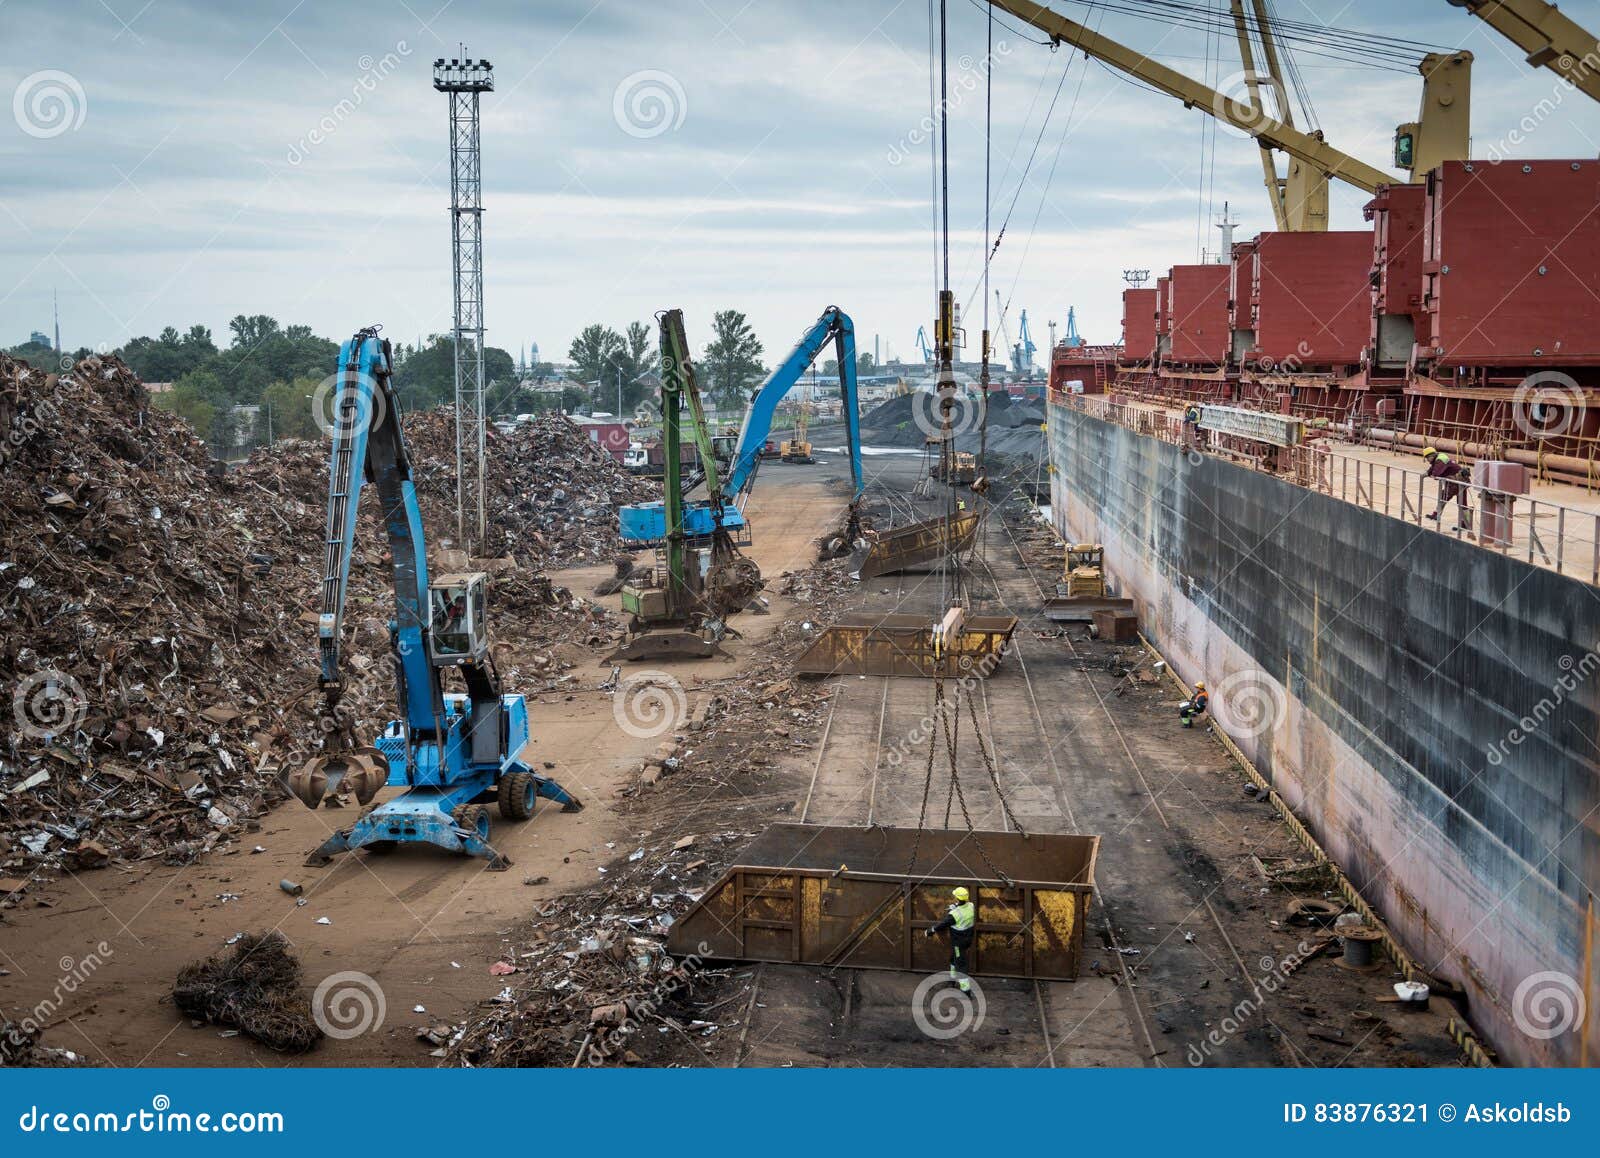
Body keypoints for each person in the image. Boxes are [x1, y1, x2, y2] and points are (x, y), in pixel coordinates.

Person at [926, 885, 976, 991]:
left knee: (960, 965)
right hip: (968, 939)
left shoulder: (954, 915)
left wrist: (930, 931)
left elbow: (943, 924)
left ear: (957, 898)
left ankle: (966, 991)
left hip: (959, 942)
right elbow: (964, 909)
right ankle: (952, 980)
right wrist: (956, 906)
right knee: (953, 958)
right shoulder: (971, 906)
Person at [1422, 447, 1472, 529]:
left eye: (1427, 458)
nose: (1427, 460)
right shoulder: (1438, 458)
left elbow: (1436, 473)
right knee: (1461, 502)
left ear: (1431, 455)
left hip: (1457, 481)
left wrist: (1432, 475)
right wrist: (1426, 474)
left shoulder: (1440, 460)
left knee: (1447, 498)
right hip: (1458, 481)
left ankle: (1464, 524)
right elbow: (1432, 469)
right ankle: (1465, 523)